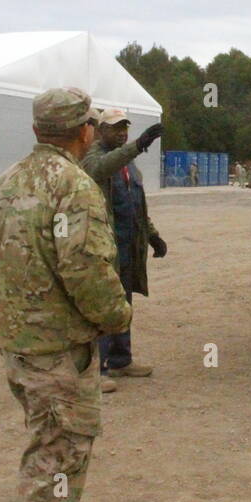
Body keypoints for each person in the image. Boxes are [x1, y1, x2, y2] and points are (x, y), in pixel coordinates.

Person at [0, 87, 130, 502]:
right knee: (56, 455)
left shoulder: (3, 184)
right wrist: (117, 315)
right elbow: (84, 268)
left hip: (19, 344)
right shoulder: (76, 186)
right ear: (85, 131)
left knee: (49, 445)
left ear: (36, 130)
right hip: (59, 351)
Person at [81, 109, 166, 383]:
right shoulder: (92, 157)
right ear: (100, 130)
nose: (121, 133)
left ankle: (121, 360)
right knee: (105, 306)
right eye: (115, 128)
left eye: (125, 128)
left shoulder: (130, 165)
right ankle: (98, 369)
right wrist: (138, 145)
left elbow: (136, 206)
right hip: (105, 249)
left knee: (124, 305)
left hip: (128, 247)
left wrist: (152, 235)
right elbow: (99, 168)